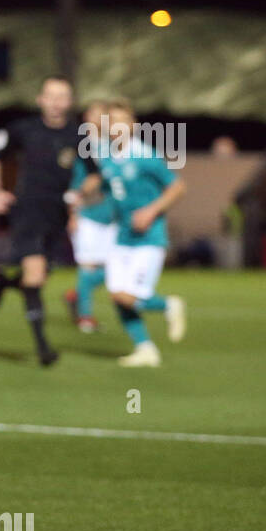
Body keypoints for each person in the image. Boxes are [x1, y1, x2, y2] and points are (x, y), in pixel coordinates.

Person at [0, 76, 92, 365]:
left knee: (38, 279)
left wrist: (80, 196)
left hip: (57, 216)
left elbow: (94, 174)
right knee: (34, 275)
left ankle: (6, 284)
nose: (56, 102)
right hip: (27, 212)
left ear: (69, 102)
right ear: (40, 99)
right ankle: (43, 347)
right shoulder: (21, 129)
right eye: (50, 96)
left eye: (62, 97)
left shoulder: (78, 135)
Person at [90, 101, 187, 366]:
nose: (116, 128)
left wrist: (151, 211)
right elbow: (111, 192)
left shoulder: (145, 156)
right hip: (122, 237)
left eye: (122, 122)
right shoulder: (107, 157)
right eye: (112, 123)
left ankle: (169, 305)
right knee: (117, 296)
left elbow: (178, 187)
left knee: (129, 296)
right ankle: (145, 349)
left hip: (149, 238)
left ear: (132, 126)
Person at [63, 99, 118, 333]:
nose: (100, 118)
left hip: (110, 216)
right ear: (86, 117)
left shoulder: (113, 146)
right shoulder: (78, 146)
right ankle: (85, 317)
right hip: (86, 213)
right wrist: (72, 214)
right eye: (96, 113)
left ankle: (75, 294)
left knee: (114, 268)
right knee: (88, 266)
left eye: (105, 114)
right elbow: (71, 183)